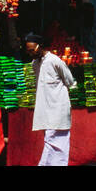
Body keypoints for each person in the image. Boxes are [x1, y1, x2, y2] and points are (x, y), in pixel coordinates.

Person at [26, 33, 75, 166]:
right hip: (45, 109)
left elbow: (70, 81)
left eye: (32, 50)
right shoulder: (34, 64)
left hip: (58, 108)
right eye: (28, 51)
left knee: (56, 141)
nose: (30, 53)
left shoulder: (54, 61)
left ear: (39, 46)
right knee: (50, 140)